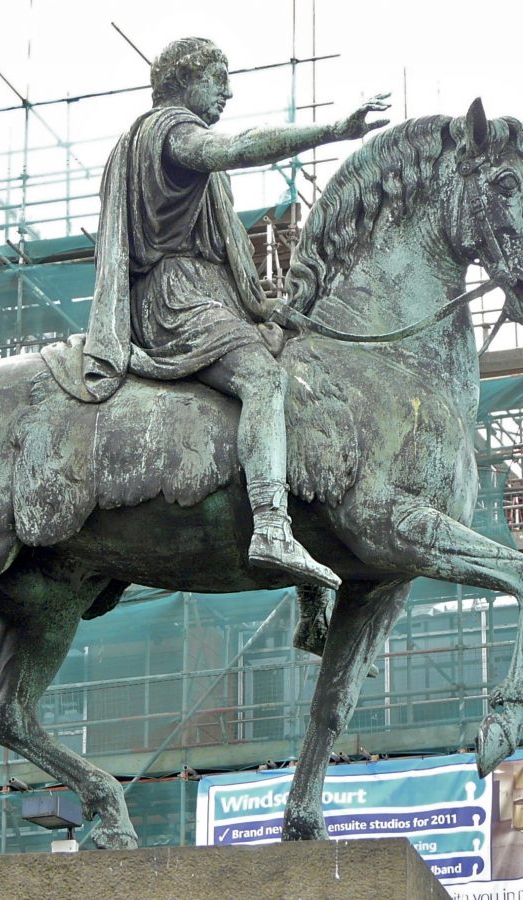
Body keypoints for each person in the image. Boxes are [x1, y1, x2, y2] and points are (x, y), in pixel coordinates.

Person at [83, 36, 389, 590]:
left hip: (209, 292)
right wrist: (332, 132)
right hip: (175, 297)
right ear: (184, 79)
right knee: (264, 380)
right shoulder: (169, 132)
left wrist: (268, 307)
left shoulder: (167, 139)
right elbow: (239, 147)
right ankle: (271, 526)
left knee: (299, 375)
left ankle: (312, 591)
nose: (228, 89)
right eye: (218, 76)